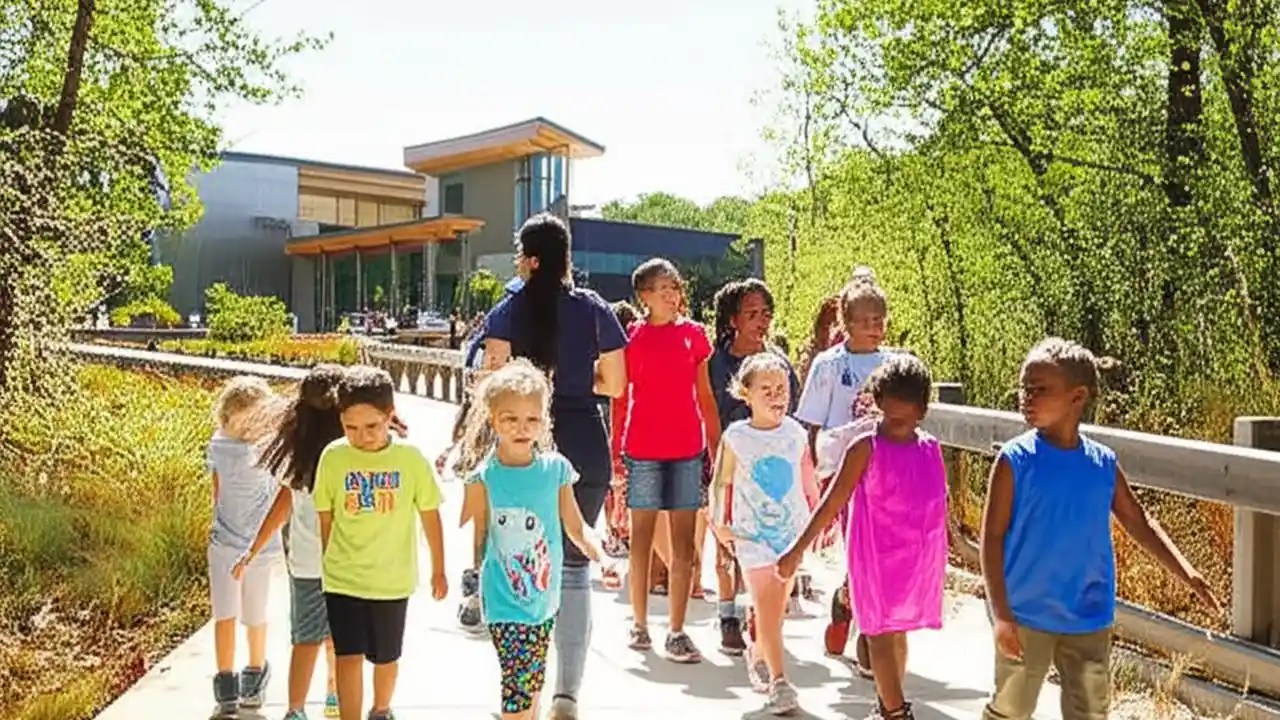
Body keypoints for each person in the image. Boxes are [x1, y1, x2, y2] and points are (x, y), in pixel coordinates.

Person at [979, 338, 1221, 720]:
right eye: (1025, 388)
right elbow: (991, 539)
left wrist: (1186, 572)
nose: (1027, 397)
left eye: (1040, 390)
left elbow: (1140, 523)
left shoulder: (1102, 464)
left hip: (1088, 615)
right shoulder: (1015, 461)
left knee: (1091, 711)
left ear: (1078, 397)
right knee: (1011, 708)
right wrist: (1002, 613)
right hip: (1025, 615)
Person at [482, 212, 627, 720]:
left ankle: (525, 691)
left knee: (519, 561)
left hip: (523, 447)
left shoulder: (507, 312)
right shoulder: (594, 310)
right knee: (572, 569)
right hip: (585, 440)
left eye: (521, 254)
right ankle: (567, 694)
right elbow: (614, 384)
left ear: (532, 258)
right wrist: (572, 380)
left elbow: (491, 382)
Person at [780, 354, 948, 720]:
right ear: (877, 402)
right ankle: (894, 709)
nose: (896, 427)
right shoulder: (864, 448)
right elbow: (831, 502)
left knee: (894, 632)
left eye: (905, 421)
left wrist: (949, 552)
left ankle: (892, 708)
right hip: (873, 557)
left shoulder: (930, 448)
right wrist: (797, 550)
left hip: (914, 560)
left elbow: (938, 507)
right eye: (889, 417)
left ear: (922, 411)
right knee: (879, 633)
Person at [459, 360, 606, 720]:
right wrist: (473, 584)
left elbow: (576, 526)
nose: (523, 428)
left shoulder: (555, 469)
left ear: (544, 420)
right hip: (504, 602)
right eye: (511, 419)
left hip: (544, 599)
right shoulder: (485, 477)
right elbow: (478, 534)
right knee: (519, 693)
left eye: (532, 419)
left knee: (532, 683)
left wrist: (601, 554)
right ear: (493, 420)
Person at [313, 366, 448, 720]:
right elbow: (325, 517)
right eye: (351, 428)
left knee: (387, 656)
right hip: (343, 577)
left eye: (372, 426)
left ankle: (381, 709)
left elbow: (430, 515)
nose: (362, 436)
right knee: (347, 654)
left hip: (392, 579)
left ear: (390, 417)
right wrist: (327, 563)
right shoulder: (333, 457)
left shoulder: (411, 459)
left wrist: (439, 570)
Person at [616, 258, 721, 663]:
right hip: (642, 449)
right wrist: (616, 452)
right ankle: (640, 623)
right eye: (662, 288)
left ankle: (677, 630)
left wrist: (717, 447)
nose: (672, 295)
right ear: (644, 296)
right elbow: (621, 396)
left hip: (686, 450)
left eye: (675, 287)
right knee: (640, 540)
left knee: (685, 547)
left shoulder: (694, 337)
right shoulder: (632, 338)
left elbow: (706, 396)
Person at [234, 365, 345, 720]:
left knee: (305, 638)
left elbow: (280, 509)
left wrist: (252, 549)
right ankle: (333, 692)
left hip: (306, 563)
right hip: (351, 566)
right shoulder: (353, 454)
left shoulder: (297, 458)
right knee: (337, 639)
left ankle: (295, 709)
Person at [795, 277, 894, 665]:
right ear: (846, 323)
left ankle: (865, 619)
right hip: (845, 471)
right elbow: (813, 423)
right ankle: (855, 610)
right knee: (860, 548)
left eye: (880, 319)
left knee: (882, 552)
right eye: (866, 319)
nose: (874, 326)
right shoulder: (829, 365)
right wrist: (810, 476)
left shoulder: (895, 364)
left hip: (887, 470)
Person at [709, 353, 811, 714]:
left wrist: (818, 522)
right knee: (767, 603)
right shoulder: (736, 436)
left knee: (774, 609)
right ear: (745, 393)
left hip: (790, 535)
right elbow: (722, 481)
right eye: (765, 389)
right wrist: (719, 522)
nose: (775, 396)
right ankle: (780, 682)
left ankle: (760, 646)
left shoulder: (796, 434)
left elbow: (807, 480)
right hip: (750, 536)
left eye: (781, 388)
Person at [706, 279, 803, 656]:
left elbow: (788, 416)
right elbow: (709, 410)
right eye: (751, 314)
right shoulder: (716, 363)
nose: (761, 321)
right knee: (727, 539)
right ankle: (727, 614)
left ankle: (759, 614)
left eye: (766, 313)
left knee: (767, 539)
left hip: (769, 466)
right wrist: (715, 458)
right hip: (727, 461)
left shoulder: (778, 363)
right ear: (733, 319)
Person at [206, 376, 282, 719]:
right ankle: (234, 678)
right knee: (232, 614)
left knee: (250, 614)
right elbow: (218, 493)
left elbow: (218, 494)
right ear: (226, 419)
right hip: (235, 544)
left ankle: (246, 675)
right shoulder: (230, 448)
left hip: (249, 545)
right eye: (243, 421)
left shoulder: (261, 448)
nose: (250, 427)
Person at [601, 300, 640, 592]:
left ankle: (615, 534)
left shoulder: (612, 358)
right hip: (634, 430)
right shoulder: (637, 355)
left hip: (617, 429)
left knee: (613, 489)